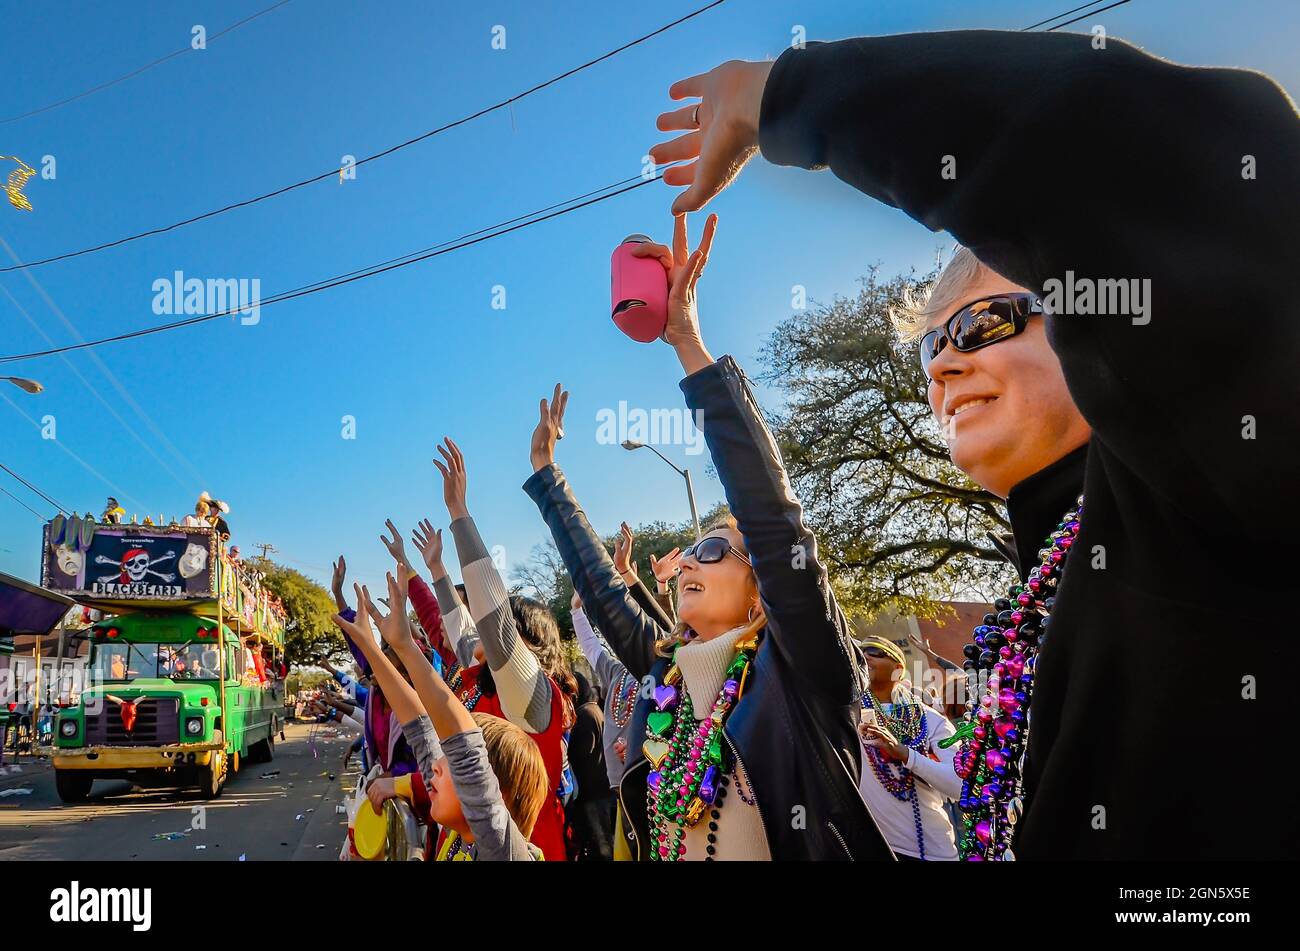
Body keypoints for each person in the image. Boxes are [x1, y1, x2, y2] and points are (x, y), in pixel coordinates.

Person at [646, 31, 1298, 859]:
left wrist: (772, 96)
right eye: (930, 347)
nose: (945, 363)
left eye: (985, 322)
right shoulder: (1058, 583)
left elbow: (1144, 150)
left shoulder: (1202, 497)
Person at [525, 216, 891, 861]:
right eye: (693, 549)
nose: (692, 557)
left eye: (717, 548)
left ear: (761, 593)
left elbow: (774, 520)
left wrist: (686, 341)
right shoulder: (665, 674)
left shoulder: (803, 670)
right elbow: (605, 591)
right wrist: (548, 479)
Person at [392, 447, 575, 862]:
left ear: (531, 649)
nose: (479, 636)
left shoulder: (532, 701)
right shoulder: (475, 680)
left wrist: (459, 513)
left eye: (495, 637)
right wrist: (434, 570)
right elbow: (456, 627)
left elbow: (495, 627)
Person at [337, 570, 549, 861]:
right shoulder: (455, 838)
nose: (435, 766)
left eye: (454, 763)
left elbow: (464, 748)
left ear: (492, 794)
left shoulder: (504, 853)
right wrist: (387, 648)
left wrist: (407, 648)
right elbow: (421, 730)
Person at [856, 636, 961, 861]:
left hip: (931, 850)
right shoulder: (847, 715)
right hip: (872, 846)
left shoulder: (931, 720)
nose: (865, 656)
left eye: (875, 652)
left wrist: (905, 753)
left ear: (898, 668)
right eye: (860, 652)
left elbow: (959, 785)